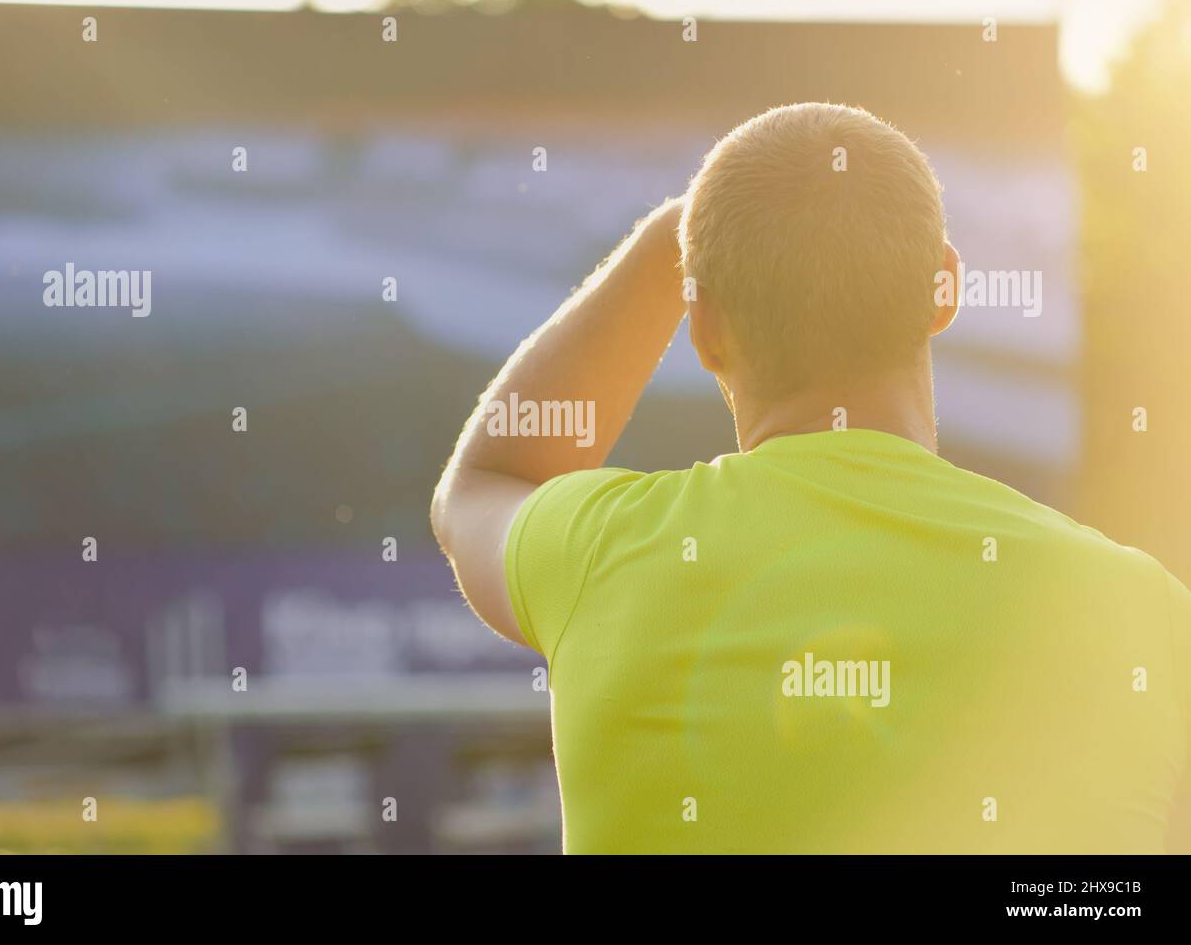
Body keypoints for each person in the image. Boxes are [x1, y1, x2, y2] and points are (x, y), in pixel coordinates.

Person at [430, 103, 1191, 853]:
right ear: (945, 290)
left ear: (703, 327)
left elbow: (486, 481)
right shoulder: (1143, 612)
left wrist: (673, 241)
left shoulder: (602, 553)